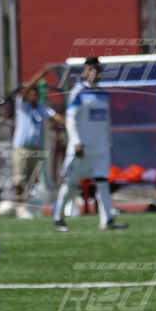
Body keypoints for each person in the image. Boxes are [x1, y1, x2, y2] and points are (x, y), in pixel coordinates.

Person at [53, 57, 128, 231]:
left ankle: (107, 220)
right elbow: (70, 120)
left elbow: (106, 121)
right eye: (90, 70)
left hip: (100, 149)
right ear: (85, 72)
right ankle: (58, 218)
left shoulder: (103, 94)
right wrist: (77, 142)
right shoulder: (78, 92)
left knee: (102, 182)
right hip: (81, 149)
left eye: (97, 70)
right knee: (71, 183)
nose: (94, 74)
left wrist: (109, 142)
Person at [11, 72, 64, 218]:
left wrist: (71, 125)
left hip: (35, 148)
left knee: (33, 180)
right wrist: (40, 75)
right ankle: (21, 207)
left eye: (36, 95)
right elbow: (27, 88)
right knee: (19, 178)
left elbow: (56, 117)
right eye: (31, 94)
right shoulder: (23, 106)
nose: (33, 97)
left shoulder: (41, 108)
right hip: (21, 148)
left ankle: (31, 207)